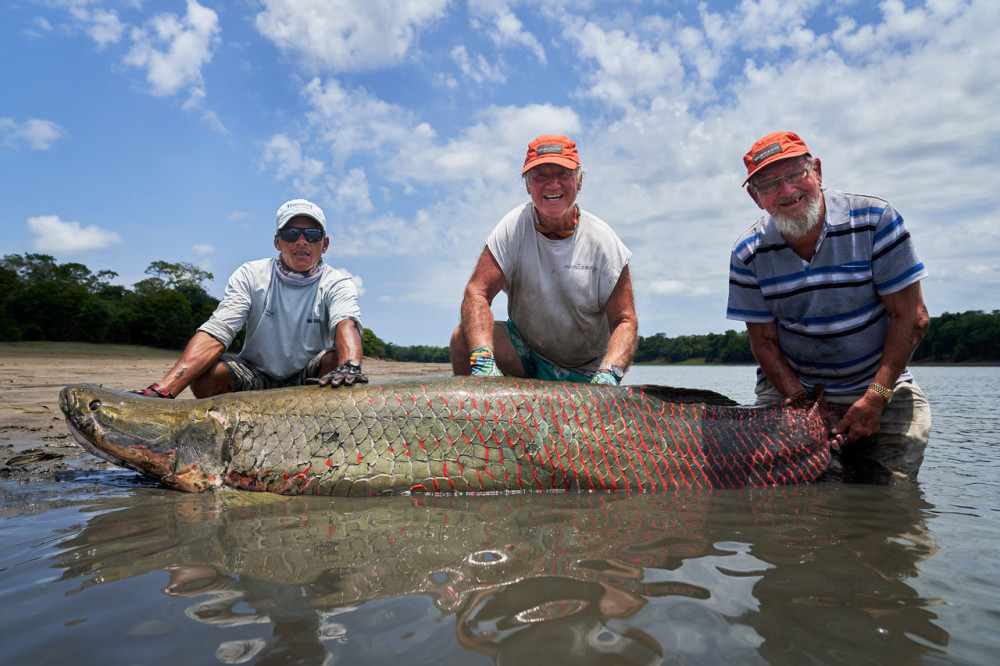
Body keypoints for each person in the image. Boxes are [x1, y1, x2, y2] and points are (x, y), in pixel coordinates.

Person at [726, 131, 932, 483]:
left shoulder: (876, 220)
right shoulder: (747, 253)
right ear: (756, 197)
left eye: (795, 175)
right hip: (792, 391)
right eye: (771, 184)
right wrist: (804, 406)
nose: (787, 190)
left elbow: (911, 318)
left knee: (890, 502)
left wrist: (875, 398)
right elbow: (764, 342)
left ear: (817, 171)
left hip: (882, 386)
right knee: (779, 502)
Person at [450, 134, 638, 385]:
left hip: (586, 371)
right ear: (528, 185)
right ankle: (476, 418)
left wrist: (609, 373)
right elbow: (477, 292)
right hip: (527, 355)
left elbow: (625, 320)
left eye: (563, 174)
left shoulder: (604, 242)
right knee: (463, 338)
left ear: (579, 181)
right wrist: (483, 360)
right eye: (541, 175)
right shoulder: (513, 227)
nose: (552, 185)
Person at [136, 198, 367, 399]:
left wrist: (351, 365)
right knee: (207, 373)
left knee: (336, 361)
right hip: (254, 376)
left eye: (313, 235)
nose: (302, 241)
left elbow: (345, 324)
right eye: (291, 233)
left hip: (308, 379)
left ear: (324, 244)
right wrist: (163, 390)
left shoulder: (338, 282)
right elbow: (219, 329)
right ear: (277, 241)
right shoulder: (251, 274)